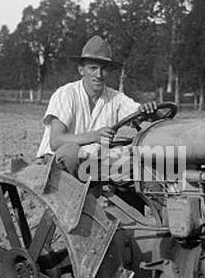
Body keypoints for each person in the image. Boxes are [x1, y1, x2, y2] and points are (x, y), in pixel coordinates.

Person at [36, 36, 157, 175]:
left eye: (103, 69)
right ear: (81, 70)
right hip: (55, 163)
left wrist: (149, 111)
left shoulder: (116, 98)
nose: (98, 75)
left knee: (142, 155)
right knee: (71, 151)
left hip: (91, 165)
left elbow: (138, 113)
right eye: (93, 68)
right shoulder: (66, 94)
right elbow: (56, 141)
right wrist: (94, 136)